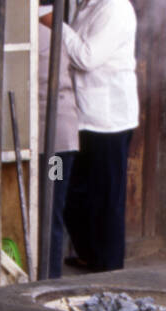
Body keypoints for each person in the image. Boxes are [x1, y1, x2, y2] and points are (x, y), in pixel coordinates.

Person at [42, 0, 138, 273]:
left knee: (107, 198)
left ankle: (109, 267)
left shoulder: (115, 8)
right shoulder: (86, 5)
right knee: (76, 193)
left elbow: (86, 57)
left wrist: (55, 23)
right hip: (85, 116)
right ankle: (89, 253)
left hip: (109, 119)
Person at [37, 5, 79, 278]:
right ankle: (49, 275)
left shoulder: (38, 37)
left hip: (55, 142)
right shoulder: (57, 36)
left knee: (50, 211)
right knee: (52, 210)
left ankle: (50, 277)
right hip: (61, 138)